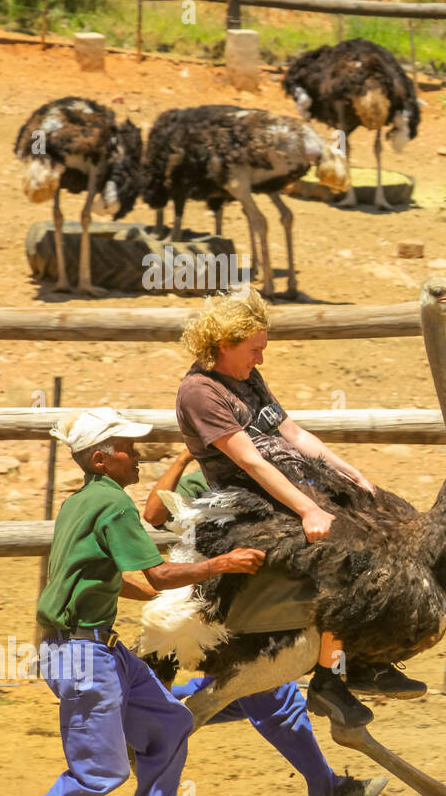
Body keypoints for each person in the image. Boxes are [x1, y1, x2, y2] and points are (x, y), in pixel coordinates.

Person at [0, 408, 263, 796]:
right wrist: (222, 564)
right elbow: (156, 573)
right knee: (99, 774)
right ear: (101, 460)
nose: (137, 457)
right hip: (84, 656)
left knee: (173, 723)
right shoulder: (114, 502)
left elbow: (97, 573)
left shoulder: (78, 502)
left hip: (94, 650)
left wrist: (154, 592)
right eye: (127, 450)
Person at [174, 288, 425, 727]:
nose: (261, 360)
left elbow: (294, 433)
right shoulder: (200, 393)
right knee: (344, 554)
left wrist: (349, 472)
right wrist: (309, 510)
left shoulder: (245, 377)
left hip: (295, 485)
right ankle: (332, 678)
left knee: (383, 531)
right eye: (255, 350)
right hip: (249, 502)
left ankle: (360, 658)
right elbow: (248, 461)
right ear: (226, 344)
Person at [143, 447, 388, 796]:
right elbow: (155, 515)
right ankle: (329, 792)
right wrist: (180, 461)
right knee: (276, 698)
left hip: (257, 612)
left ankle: (139, 712)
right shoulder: (203, 485)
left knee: (238, 698)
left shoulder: (268, 487)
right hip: (221, 614)